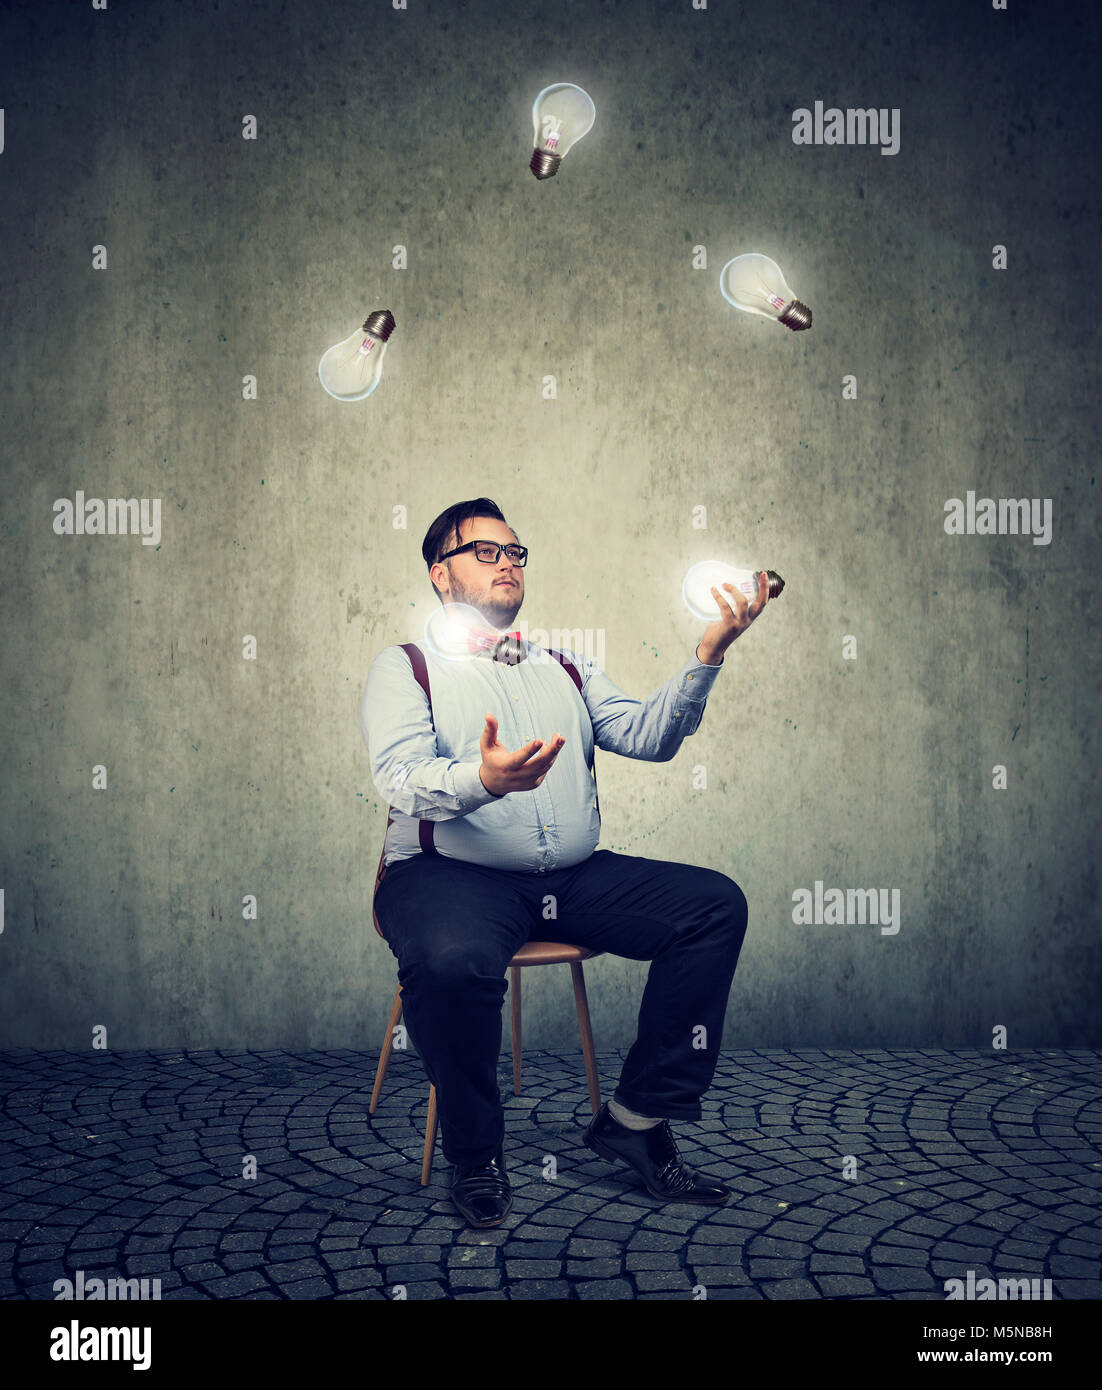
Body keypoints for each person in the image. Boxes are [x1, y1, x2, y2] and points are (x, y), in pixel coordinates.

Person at [362, 498, 771, 1229]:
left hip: (568, 878)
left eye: (516, 552)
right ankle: (476, 1154)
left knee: (712, 906)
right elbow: (398, 777)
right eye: (486, 551)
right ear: (440, 573)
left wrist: (708, 654)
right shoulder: (406, 666)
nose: (508, 563)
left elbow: (649, 737)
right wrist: (481, 781)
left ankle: (636, 1120)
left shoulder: (563, 666)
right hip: (450, 875)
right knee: (452, 962)